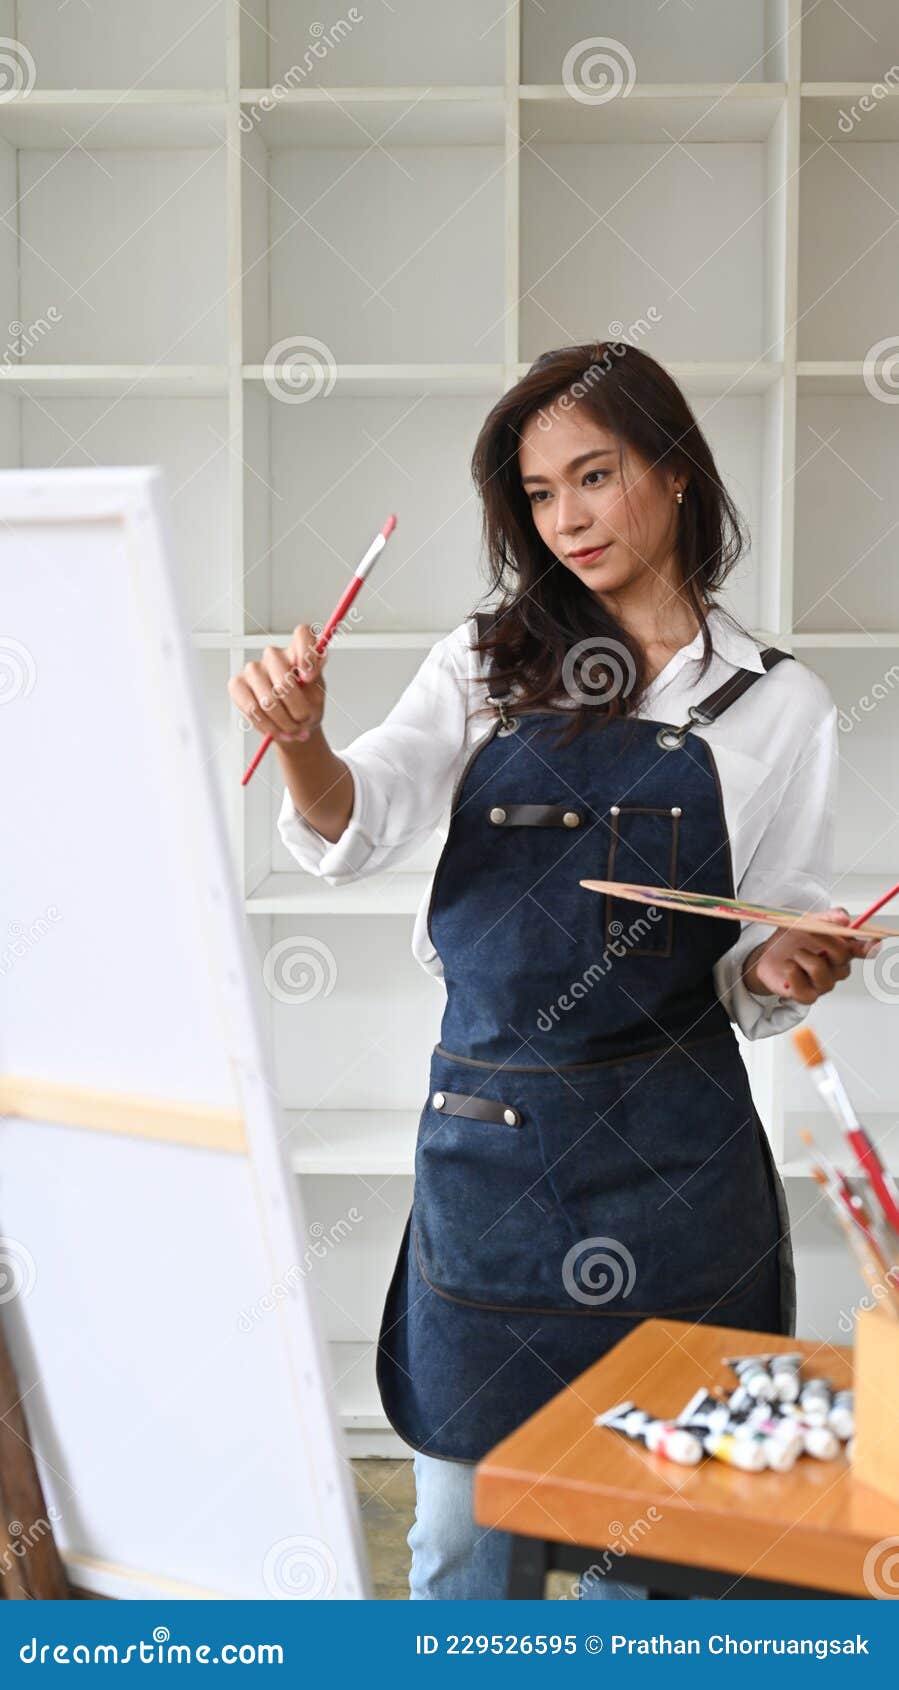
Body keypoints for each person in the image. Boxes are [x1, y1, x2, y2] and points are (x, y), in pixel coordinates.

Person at [228, 341, 877, 1601]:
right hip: (495, 1164)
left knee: (659, 1551)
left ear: (675, 472)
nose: (565, 518)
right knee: (463, 1544)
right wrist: (302, 742)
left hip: (676, 1165)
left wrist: (792, 963)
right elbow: (350, 823)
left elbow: (755, 958)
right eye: (536, 492)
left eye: (595, 475)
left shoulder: (775, 706)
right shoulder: (483, 662)